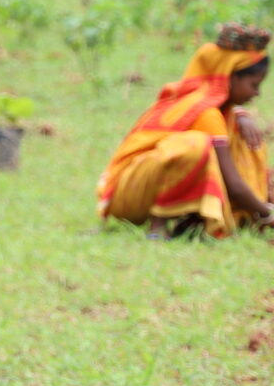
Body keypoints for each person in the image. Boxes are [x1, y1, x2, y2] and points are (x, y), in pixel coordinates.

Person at [98, 23, 272, 238]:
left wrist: (240, 113)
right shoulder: (207, 114)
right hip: (128, 196)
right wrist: (267, 213)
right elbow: (233, 185)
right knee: (194, 147)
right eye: (254, 84)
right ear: (230, 76)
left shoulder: (215, 109)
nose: (256, 93)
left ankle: (193, 218)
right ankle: (158, 226)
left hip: (136, 188)